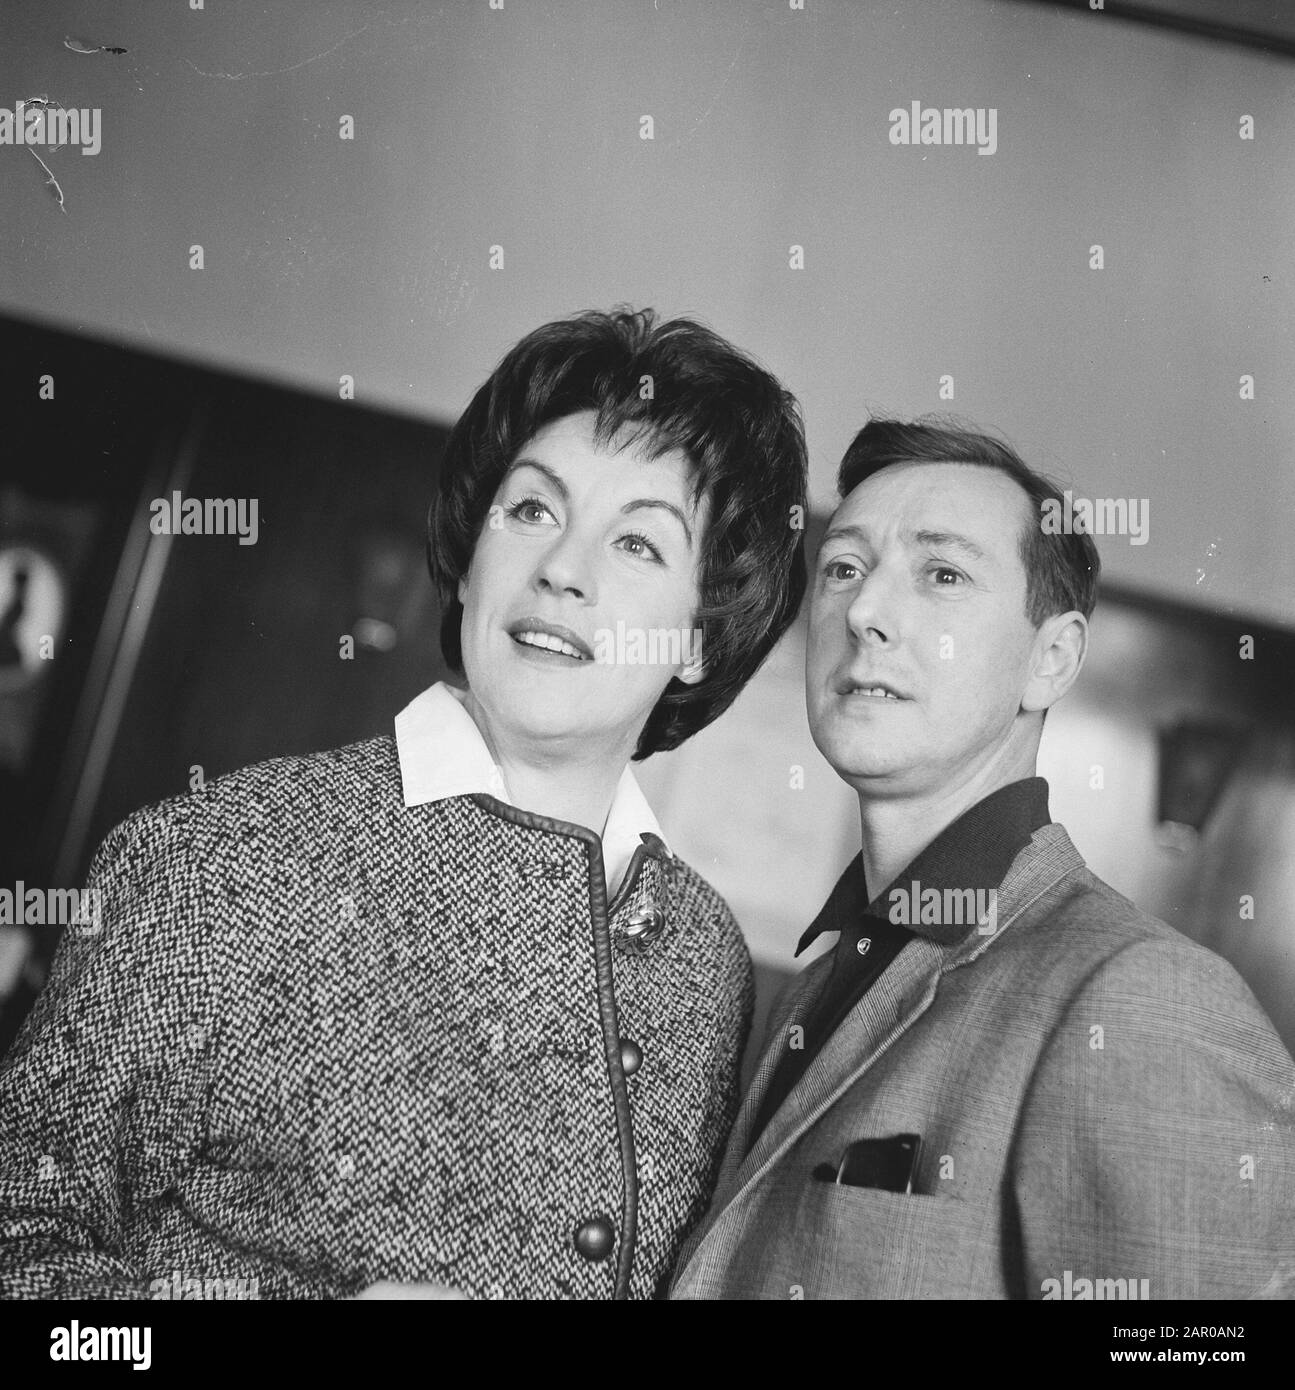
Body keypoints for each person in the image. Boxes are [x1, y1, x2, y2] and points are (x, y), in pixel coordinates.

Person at [0, 307, 808, 1301]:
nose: (562, 568)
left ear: (697, 637)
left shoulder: (704, 955)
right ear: (469, 560)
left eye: (638, 545)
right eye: (531, 510)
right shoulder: (217, 862)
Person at [670, 417, 1295, 1300]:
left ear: (1050, 660)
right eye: (843, 568)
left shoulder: (1138, 994)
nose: (865, 612)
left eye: (943, 574)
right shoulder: (825, 973)